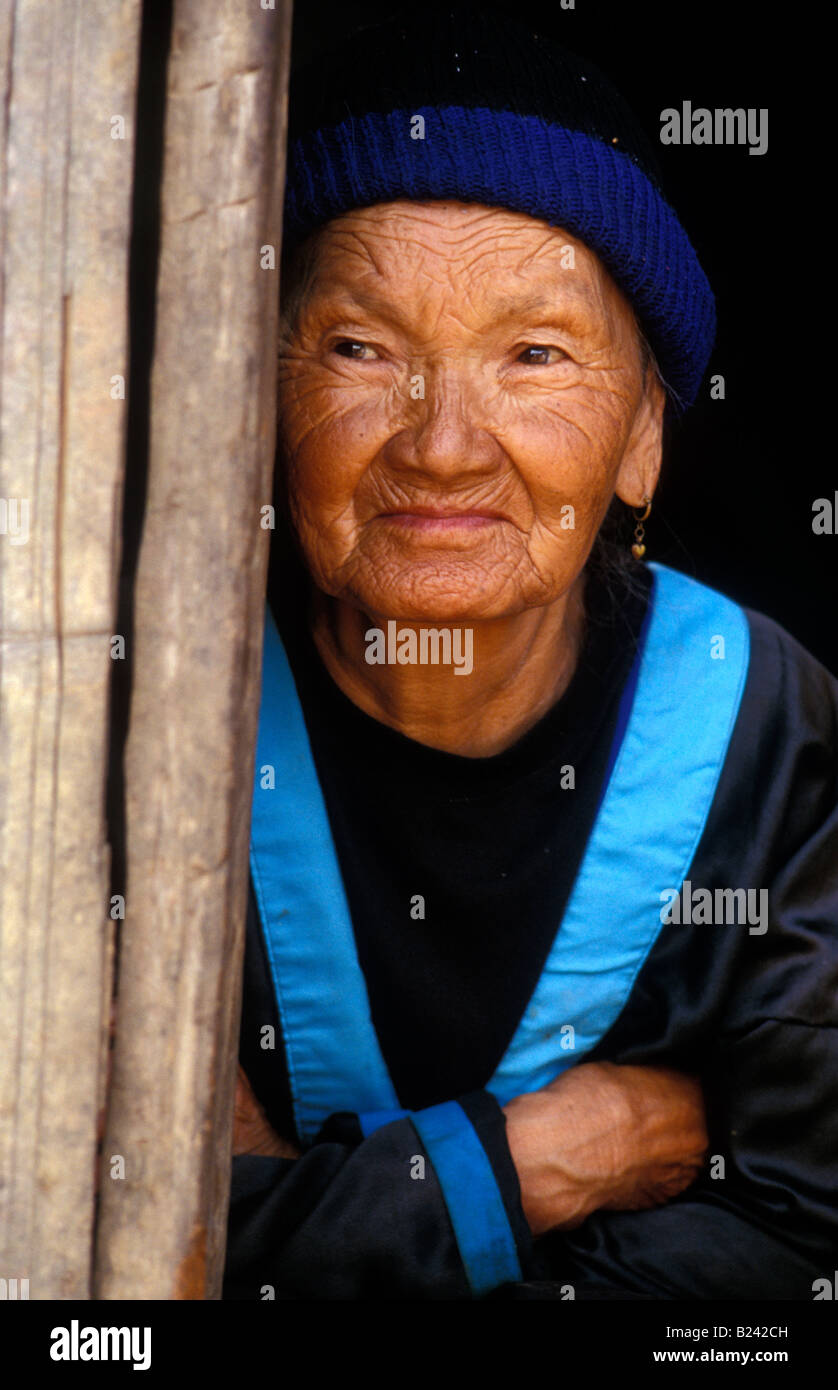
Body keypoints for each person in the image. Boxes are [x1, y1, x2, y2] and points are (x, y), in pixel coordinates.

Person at [223, 10, 838, 1300]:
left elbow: (798, 1239)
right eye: (360, 348)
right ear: (256, 392)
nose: (442, 444)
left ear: (642, 440)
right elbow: (83, 1253)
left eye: (534, 356)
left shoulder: (763, 722)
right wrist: (529, 1169)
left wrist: (321, 1224)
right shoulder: (142, 713)